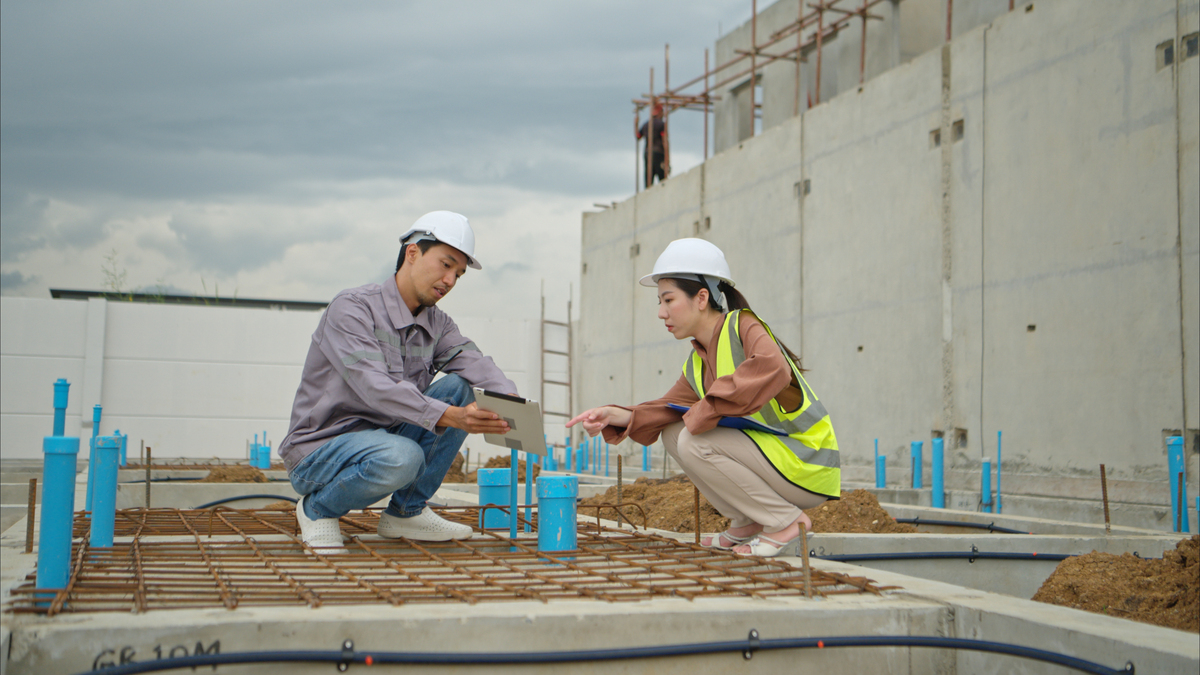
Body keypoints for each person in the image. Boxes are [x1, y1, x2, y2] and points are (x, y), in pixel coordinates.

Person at [567, 239, 840, 557]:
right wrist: (614, 414)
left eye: (668, 300)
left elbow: (772, 367)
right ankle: (747, 521)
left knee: (694, 439)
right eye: (659, 301)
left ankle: (786, 523)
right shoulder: (697, 362)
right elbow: (665, 410)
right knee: (674, 434)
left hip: (807, 462)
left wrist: (704, 410)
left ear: (701, 297)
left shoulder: (743, 327)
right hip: (780, 464)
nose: (660, 313)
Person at [279, 211, 518, 554]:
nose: (450, 280)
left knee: (460, 387)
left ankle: (406, 512)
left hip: (384, 444)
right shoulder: (353, 309)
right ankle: (317, 510)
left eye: (458, 274)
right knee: (403, 456)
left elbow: (474, 362)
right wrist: (451, 417)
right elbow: (376, 388)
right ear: (412, 253)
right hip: (322, 450)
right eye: (445, 265)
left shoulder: (438, 323)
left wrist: (510, 401)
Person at [636, 102, 669, 188]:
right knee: (663, 182)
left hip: (647, 154)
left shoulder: (646, 125)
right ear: (660, 112)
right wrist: (667, 160)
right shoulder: (661, 124)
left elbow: (638, 136)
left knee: (648, 181)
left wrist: (635, 124)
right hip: (658, 153)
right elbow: (665, 142)